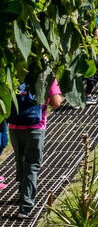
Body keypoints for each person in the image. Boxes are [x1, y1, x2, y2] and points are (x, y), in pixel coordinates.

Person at [8, 75, 62, 218]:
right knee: (32, 164)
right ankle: (25, 206)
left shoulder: (15, 71)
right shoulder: (45, 74)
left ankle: (22, 192)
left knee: (20, 160)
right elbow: (56, 102)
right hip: (35, 127)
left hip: (14, 125)